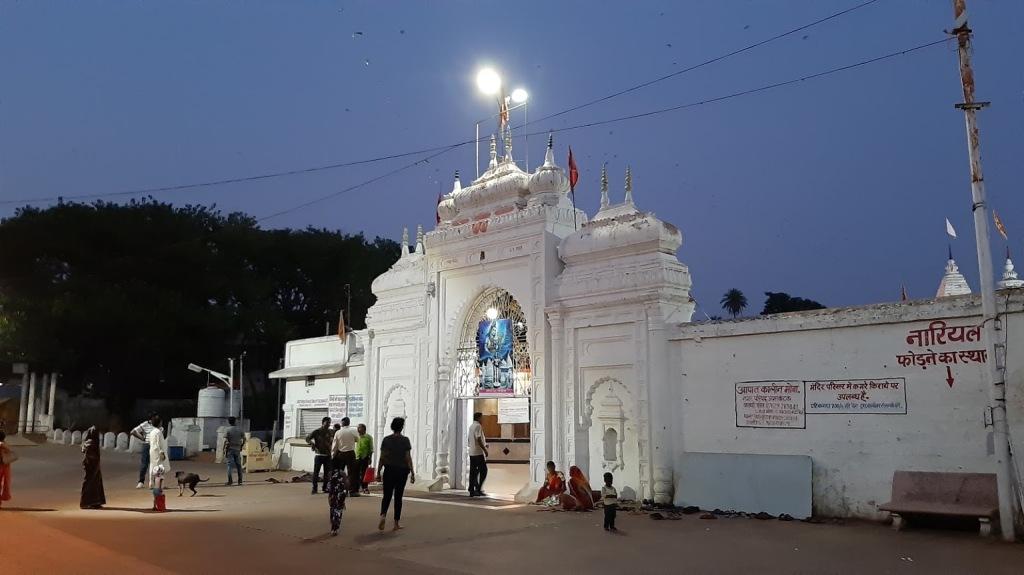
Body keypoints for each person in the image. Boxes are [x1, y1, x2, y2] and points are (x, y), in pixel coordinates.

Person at [378, 417, 414, 531]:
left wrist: (378, 471)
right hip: (401, 471)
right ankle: (396, 523)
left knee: (386, 496)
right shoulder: (405, 440)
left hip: (389, 470)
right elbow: (407, 457)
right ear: (402, 427)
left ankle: (383, 515)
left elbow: (382, 457)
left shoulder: (386, 440)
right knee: (398, 497)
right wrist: (412, 472)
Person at [330, 417, 360, 496]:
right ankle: (352, 491)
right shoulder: (353, 430)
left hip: (341, 454)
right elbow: (358, 439)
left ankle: (340, 489)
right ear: (349, 423)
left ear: (342, 423)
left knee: (340, 472)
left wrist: (333, 455)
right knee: (351, 473)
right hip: (350, 453)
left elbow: (334, 445)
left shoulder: (338, 432)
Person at [80, 426, 106, 509]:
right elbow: (89, 456)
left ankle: (95, 502)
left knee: (96, 483)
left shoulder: (88, 442)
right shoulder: (91, 443)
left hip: (94, 465)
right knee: (90, 483)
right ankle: (85, 502)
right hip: (91, 465)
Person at [306, 416, 333, 494]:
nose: (328, 424)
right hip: (319, 455)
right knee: (316, 472)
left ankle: (325, 487)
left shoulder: (330, 432)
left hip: (328, 455)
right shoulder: (317, 431)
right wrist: (312, 444)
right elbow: (307, 438)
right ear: (323, 423)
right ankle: (314, 488)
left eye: (329, 423)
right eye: (327, 422)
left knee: (327, 473)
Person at [130, 413, 158, 488]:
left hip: (155, 446)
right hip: (147, 445)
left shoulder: (158, 425)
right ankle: (141, 481)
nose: (156, 419)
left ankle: (155, 482)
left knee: (155, 465)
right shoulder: (145, 424)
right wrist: (142, 438)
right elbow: (133, 431)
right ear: (151, 418)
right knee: (144, 464)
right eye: (155, 417)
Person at [467, 412, 488, 497]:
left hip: (472, 452)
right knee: (484, 470)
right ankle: (478, 489)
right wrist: (485, 449)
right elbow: (478, 438)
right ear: (479, 418)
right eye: (482, 417)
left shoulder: (471, 426)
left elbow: (470, 439)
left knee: (473, 471)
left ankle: (472, 489)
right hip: (478, 452)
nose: (482, 419)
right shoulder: (478, 426)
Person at [147, 416, 170, 489]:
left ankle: (151, 483)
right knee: (160, 468)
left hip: (152, 451)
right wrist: (161, 452)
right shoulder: (158, 432)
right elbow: (158, 443)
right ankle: (160, 485)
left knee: (152, 466)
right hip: (158, 451)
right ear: (159, 423)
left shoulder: (152, 432)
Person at [326, 463, 348, 536]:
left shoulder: (330, 473)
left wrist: (329, 496)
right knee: (338, 511)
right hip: (341, 494)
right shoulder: (343, 473)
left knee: (333, 509)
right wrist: (344, 498)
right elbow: (346, 484)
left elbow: (329, 485)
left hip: (333, 494)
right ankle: (336, 528)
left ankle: (333, 526)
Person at [223, 416, 244, 486]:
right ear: (235, 421)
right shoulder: (240, 429)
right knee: (238, 465)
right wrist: (241, 446)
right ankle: (240, 481)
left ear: (229, 422)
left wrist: (224, 449)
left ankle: (230, 481)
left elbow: (226, 440)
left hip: (230, 449)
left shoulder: (227, 430)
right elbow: (244, 439)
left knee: (229, 466)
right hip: (237, 449)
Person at [355, 423, 374, 495]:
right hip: (356, 457)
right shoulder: (356, 437)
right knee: (356, 473)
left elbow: (371, 449)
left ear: (364, 429)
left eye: (359, 428)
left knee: (364, 473)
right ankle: (356, 488)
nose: (358, 429)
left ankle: (365, 487)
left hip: (364, 457)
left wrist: (370, 458)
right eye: (357, 428)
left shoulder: (368, 437)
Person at [0, 430, 15, 508]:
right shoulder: (5, 444)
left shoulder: (3, 444)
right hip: (5, 466)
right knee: (4, 483)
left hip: (3, 466)